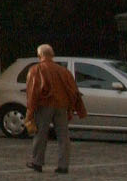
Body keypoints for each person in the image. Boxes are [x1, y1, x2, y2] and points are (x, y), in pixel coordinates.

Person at [24, 44, 86, 173]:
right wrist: (71, 108)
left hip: (44, 105)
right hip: (61, 106)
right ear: (52, 55)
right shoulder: (63, 71)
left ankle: (37, 162)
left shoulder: (36, 70)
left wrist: (30, 111)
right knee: (63, 136)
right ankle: (63, 165)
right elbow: (72, 91)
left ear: (39, 55)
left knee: (40, 133)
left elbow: (33, 92)